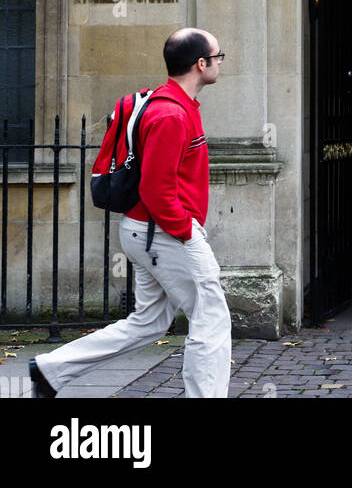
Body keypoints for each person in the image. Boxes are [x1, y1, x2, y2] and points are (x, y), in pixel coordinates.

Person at [29, 28, 231, 400]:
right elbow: (156, 190)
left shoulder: (169, 102)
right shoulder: (171, 114)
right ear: (201, 64)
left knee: (149, 322)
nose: (220, 62)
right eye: (218, 57)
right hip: (164, 233)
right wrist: (186, 231)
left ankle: (50, 370)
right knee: (212, 317)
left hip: (149, 232)